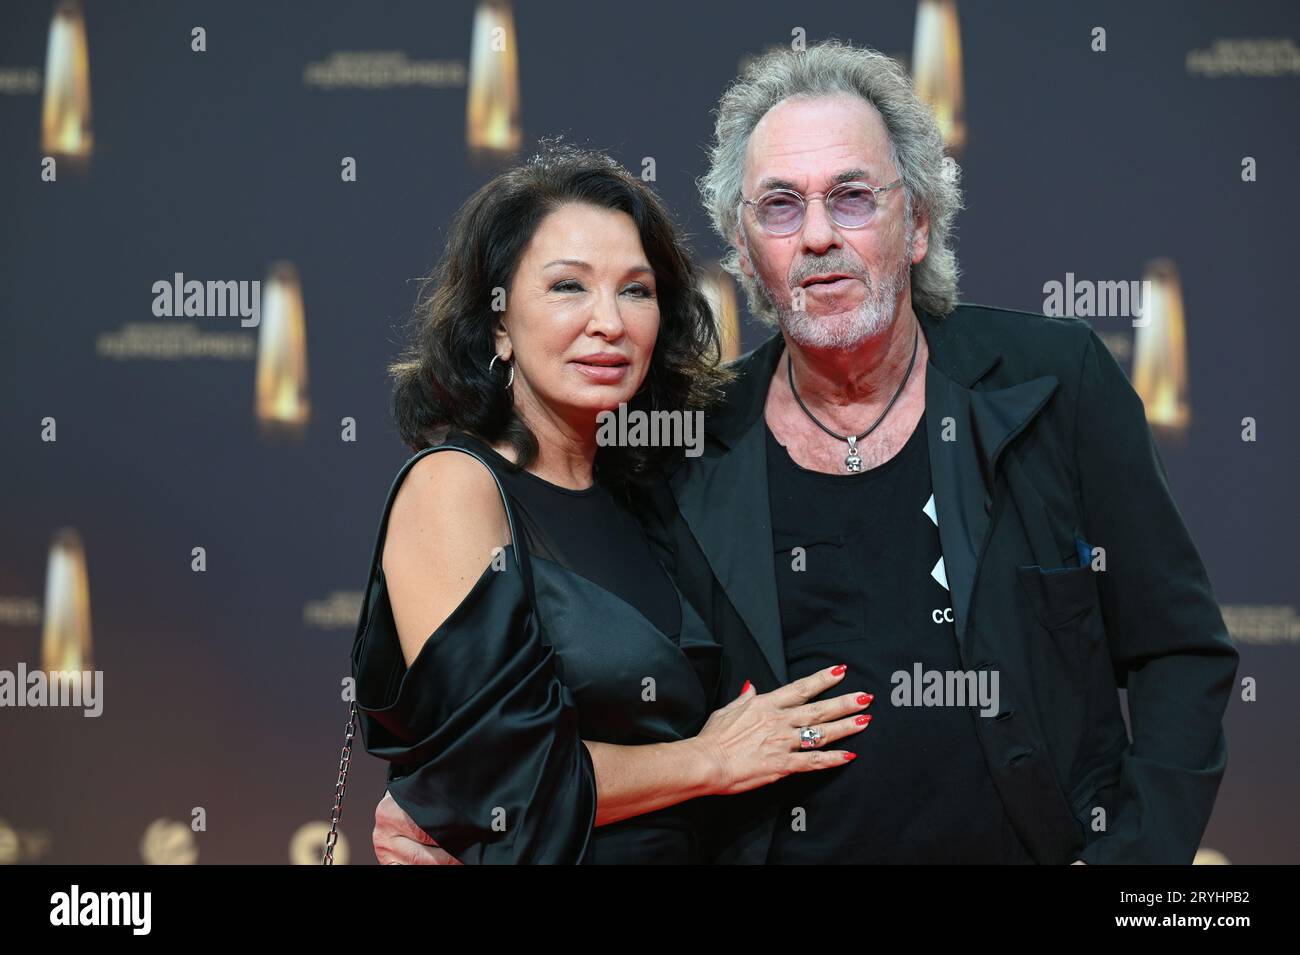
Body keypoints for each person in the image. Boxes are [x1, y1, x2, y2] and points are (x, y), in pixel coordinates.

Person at [374, 41, 1238, 865]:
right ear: (746, 249)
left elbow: (1180, 655)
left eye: (852, 196)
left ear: (919, 223)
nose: (818, 234)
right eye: (781, 206)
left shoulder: (1057, 384)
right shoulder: (688, 442)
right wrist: (443, 794)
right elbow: (595, 692)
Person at [351, 143, 873, 865]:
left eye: (636, 290)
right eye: (568, 287)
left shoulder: (649, 496)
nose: (609, 322)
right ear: (498, 320)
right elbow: (511, 779)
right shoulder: (455, 488)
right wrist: (711, 759)